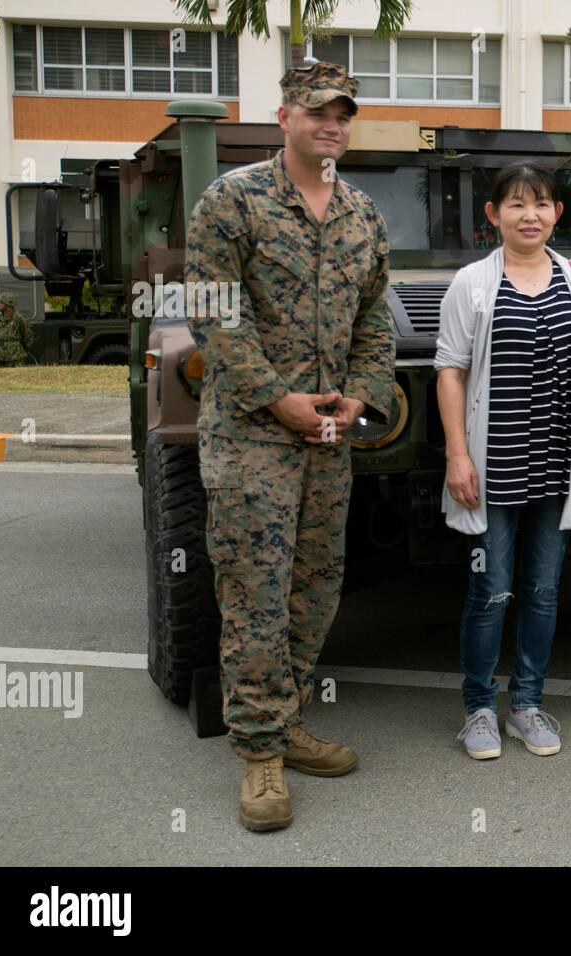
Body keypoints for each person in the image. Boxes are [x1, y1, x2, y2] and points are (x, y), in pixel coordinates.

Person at [186, 62, 397, 832]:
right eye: (317, 112)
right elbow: (215, 314)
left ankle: (288, 717)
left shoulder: (361, 213)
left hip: (330, 435)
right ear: (284, 117)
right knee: (255, 592)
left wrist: (363, 393)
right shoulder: (232, 200)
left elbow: (377, 317)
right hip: (252, 433)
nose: (331, 124)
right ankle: (259, 756)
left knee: (316, 584)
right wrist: (280, 400)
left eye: (342, 112)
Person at [436, 162, 571, 760]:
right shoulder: (471, 281)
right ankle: (477, 710)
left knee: (543, 590)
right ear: (493, 215)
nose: (530, 215)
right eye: (516, 205)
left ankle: (525, 704)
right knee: (490, 590)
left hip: (554, 458)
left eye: (541, 204)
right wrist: (457, 457)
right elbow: (450, 370)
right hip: (491, 463)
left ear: (557, 213)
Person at [0, 293, 34, 367]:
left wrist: (20, 347)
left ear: (8, 304)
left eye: (1, 302)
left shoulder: (19, 318)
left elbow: (27, 336)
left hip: (14, 357)